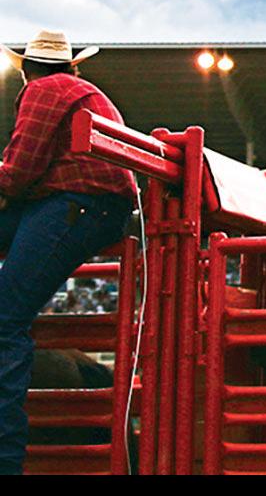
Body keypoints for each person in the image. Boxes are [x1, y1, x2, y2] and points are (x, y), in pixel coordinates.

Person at [0, 30, 136, 475]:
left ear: (25, 68)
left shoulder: (42, 91)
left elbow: (17, 172)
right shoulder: (81, 91)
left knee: (5, 321)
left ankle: (5, 459)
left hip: (75, 203)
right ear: (72, 64)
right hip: (88, 203)